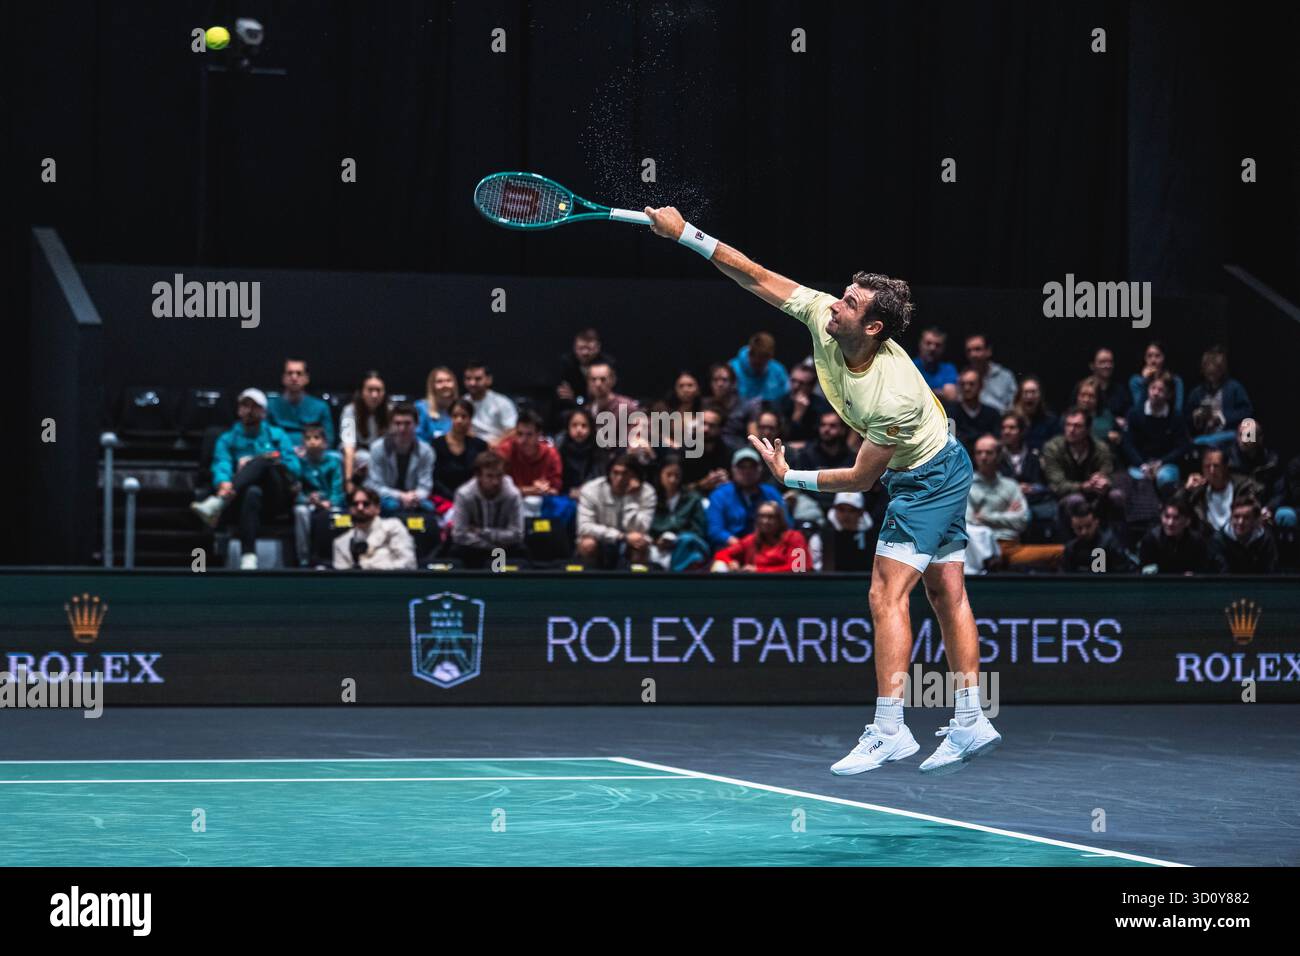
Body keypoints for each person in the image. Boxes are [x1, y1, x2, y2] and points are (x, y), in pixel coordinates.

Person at [645, 204, 999, 775]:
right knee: (946, 593)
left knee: (887, 594)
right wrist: (686, 234)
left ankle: (891, 728)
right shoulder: (821, 316)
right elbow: (754, 274)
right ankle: (969, 718)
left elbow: (861, 479)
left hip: (927, 478)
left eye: (851, 304)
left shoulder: (893, 395)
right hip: (943, 464)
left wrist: (790, 477)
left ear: (874, 328)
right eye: (842, 294)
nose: (836, 303)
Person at [190, 387, 301, 570]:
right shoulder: (227, 439)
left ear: (264, 412)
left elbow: (295, 469)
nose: (249, 410)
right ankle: (248, 555)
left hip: (274, 498)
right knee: (252, 492)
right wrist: (224, 482)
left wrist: (262, 462)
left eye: (254, 406)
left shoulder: (278, 436)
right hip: (240, 500)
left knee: (264, 460)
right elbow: (221, 464)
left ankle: (218, 503)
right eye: (245, 405)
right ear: (238, 409)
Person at [967, 434, 1061, 570]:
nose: (983, 457)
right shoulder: (966, 486)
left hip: (1010, 547)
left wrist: (987, 517)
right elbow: (969, 522)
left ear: (999, 455)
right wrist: (1007, 514)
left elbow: (1023, 520)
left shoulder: (1011, 485)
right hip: (981, 549)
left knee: (1062, 552)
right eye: (979, 452)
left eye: (989, 453)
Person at [1040, 407, 1124, 525]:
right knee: (1076, 500)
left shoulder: (1100, 448)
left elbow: (1107, 473)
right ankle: (1074, 542)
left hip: (1096, 495)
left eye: (1077, 426)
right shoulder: (1053, 448)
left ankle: (1113, 541)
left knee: (1116, 496)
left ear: (1088, 429)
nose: (1071, 430)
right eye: (1068, 425)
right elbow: (1057, 485)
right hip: (1066, 497)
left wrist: (1102, 481)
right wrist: (1083, 486)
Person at [576, 454, 657, 568]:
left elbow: (642, 529)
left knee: (641, 544)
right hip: (602, 538)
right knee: (587, 544)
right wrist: (621, 536)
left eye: (625, 473)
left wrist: (630, 498)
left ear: (635, 475)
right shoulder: (591, 490)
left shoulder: (647, 492)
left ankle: (637, 584)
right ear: (609, 473)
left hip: (632, 541)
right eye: (615, 473)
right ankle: (589, 583)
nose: (619, 478)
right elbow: (584, 527)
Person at [450, 451, 526, 568]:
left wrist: (482, 532)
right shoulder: (464, 494)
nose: (495, 482)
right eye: (490, 476)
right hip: (475, 548)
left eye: (499, 476)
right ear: (478, 476)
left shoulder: (513, 495)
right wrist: (491, 546)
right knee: (456, 550)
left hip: (505, 548)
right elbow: (459, 534)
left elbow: (517, 534)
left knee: (522, 550)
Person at [705, 447, 790, 550]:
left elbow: (787, 524)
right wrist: (741, 546)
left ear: (760, 469)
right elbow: (715, 531)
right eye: (742, 467)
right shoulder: (719, 495)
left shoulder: (771, 493)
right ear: (733, 469)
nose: (747, 471)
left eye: (752, 466)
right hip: (732, 550)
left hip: (769, 549)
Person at [1121, 373, 1189, 496]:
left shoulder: (1175, 416)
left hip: (1166, 464)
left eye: (1161, 390)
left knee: (1165, 478)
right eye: (1153, 388)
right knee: (1136, 480)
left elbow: (1182, 446)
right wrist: (1142, 465)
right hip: (1140, 464)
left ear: (1169, 394)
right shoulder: (1135, 413)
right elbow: (1128, 444)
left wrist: (1161, 463)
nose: (1156, 393)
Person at [366, 403, 436, 515]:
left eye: (407, 424)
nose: (402, 428)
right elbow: (375, 485)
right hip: (387, 497)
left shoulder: (426, 451)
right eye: (397, 423)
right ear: (391, 425)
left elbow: (425, 486)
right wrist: (401, 496)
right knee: (391, 506)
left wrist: (414, 497)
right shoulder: (377, 448)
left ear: (416, 424)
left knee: (429, 508)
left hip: (414, 498)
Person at [293, 423, 345, 568]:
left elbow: (338, 489)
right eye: (308, 438)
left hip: (329, 504)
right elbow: (295, 491)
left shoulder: (334, 462)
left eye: (316, 437)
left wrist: (329, 502)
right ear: (303, 443)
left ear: (325, 443)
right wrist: (307, 500)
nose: (312, 441)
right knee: (300, 512)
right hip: (307, 504)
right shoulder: (299, 463)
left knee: (336, 515)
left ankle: (332, 559)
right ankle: (303, 559)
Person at [649, 453, 710, 570]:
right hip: (656, 546)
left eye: (677, 475)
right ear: (660, 474)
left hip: (684, 546)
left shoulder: (693, 499)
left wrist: (676, 539)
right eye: (668, 475)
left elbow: (698, 530)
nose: (673, 480)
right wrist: (656, 541)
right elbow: (646, 526)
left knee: (688, 543)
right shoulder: (651, 497)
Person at [1183, 447, 1262, 536]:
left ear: (1225, 467)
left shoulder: (1244, 487)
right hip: (1209, 540)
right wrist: (1186, 490)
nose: (1212, 471)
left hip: (1238, 536)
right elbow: (1176, 508)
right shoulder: (1197, 492)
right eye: (1207, 466)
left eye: (1216, 466)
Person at [710, 500, 808, 572]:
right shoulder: (752, 540)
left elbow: (799, 568)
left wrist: (759, 570)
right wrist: (730, 562)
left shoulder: (794, 537)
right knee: (719, 565)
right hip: (758, 588)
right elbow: (721, 554)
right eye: (762, 516)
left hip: (789, 587)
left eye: (771, 517)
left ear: (780, 520)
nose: (765, 521)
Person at [333, 487, 417, 570]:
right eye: (355, 504)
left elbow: (409, 564)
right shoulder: (341, 543)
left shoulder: (393, 527)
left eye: (366, 504)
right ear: (349, 509)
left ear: (377, 508)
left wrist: (370, 568)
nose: (360, 508)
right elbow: (341, 580)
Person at [1186, 345, 1253, 448]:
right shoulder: (1197, 392)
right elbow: (1186, 419)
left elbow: (1247, 411)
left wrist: (1222, 416)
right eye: (1208, 372)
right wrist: (1195, 417)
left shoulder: (1234, 387)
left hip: (1228, 433)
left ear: (1221, 370)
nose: (1211, 374)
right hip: (1204, 435)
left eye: (1215, 371)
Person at [266, 358, 335, 448]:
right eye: (290, 373)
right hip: (280, 453)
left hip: (312, 454)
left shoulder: (321, 407)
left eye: (299, 373)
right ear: (283, 378)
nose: (294, 377)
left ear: (306, 378)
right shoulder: (271, 405)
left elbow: (329, 438)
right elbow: (265, 436)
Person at [339, 371, 389, 490]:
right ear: (362, 392)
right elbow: (348, 447)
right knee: (364, 458)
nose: (374, 395)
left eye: (378, 390)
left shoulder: (390, 411)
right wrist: (348, 480)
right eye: (370, 390)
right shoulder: (349, 411)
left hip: (381, 458)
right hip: (356, 454)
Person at [1138, 498, 1215, 574]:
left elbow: (1203, 569)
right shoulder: (1151, 540)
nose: (1170, 523)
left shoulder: (1197, 541)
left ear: (1187, 521)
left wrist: (1194, 575)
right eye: (1167, 517)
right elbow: (1145, 570)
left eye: (1176, 518)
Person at [432, 399, 489, 500]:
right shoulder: (437, 444)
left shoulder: (480, 446)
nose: (459, 420)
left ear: (470, 419)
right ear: (449, 418)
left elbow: (482, 477)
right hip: (443, 499)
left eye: (464, 416)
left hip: (473, 498)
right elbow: (434, 479)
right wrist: (453, 497)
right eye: (455, 416)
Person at [808, 492, 878, 573]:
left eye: (852, 510)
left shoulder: (874, 539)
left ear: (861, 512)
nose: (846, 515)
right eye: (841, 509)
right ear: (834, 509)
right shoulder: (820, 539)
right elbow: (816, 572)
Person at [1061, 499, 1134, 573]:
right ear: (1072, 526)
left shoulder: (1111, 545)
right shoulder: (1070, 549)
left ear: (1096, 522)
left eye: (1088, 526)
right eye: (1079, 528)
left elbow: (1122, 575)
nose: (1084, 532)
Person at [1215, 496, 1277, 574]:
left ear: (1256, 521)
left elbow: (1269, 572)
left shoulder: (1266, 540)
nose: (1240, 522)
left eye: (1246, 518)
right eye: (1236, 517)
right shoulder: (1219, 540)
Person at [945, 368, 1002, 452]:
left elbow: (996, 441)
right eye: (963, 384)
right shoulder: (949, 413)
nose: (967, 388)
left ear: (981, 386)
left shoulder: (992, 414)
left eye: (971, 384)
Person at [775, 361, 832, 445]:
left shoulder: (822, 406)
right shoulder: (780, 403)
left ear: (811, 386)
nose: (795, 386)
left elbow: (821, 437)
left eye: (801, 383)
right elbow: (782, 436)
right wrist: (798, 414)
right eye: (793, 381)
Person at [555, 407, 607, 497]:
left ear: (591, 429)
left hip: (592, 493)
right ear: (568, 428)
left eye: (584, 425)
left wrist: (583, 490)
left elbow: (599, 476)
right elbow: (558, 476)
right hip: (565, 493)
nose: (579, 430)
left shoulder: (598, 447)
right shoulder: (560, 445)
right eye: (574, 425)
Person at [463, 361, 518, 444]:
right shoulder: (462, 402)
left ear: (489, 380)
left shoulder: (502, 402)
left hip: (498, 447)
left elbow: (513, 430)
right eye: (468, 379)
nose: (472, 383)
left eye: (478, 379)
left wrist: (497, 443)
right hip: (471, 446)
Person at [963, 333, 1016, 413]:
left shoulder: (1005, 377)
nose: (973, 354)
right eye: (969, 351)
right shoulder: (962, 378)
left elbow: (1014, 406)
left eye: (977, 349)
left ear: (989, 351)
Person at [1128, 340, 1184, 415]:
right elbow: (1139, 409)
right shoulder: (1136, 381)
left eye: (1157, 356)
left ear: (1163, 358)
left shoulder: (1175, 381)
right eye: (1149, 356)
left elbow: (1178, 410)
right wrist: (1145, 381)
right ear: (1145, 358)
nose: (1153, 360)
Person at [729, 331, 789, 401]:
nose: (762, 366)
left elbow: (786, 397)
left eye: (765, 361)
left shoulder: (778, 371)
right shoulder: (731, 369)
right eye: (757, 364)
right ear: (750, 354)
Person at [1011, 376, 1060, 451]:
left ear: (1040, 396)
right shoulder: (1011, 420)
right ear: (1020, 396)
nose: (1030, 396)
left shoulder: (1051, 421)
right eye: (1026, 392)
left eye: (1033, 392)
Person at [913, 327, 959, 401]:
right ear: (920, 344)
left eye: (938, 345)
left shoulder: (948, 369)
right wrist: (940, 392)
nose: (932, 348)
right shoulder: (910, 366)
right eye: (928, 343)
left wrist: (919, 391)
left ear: (943, 348)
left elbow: (951, 396)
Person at [415, 366, 459, 443]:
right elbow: (416, 438)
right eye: (439, 381)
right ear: (432, 386)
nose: (445, 385)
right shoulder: (421, 408)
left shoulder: (460, 409)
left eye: (448, 381)